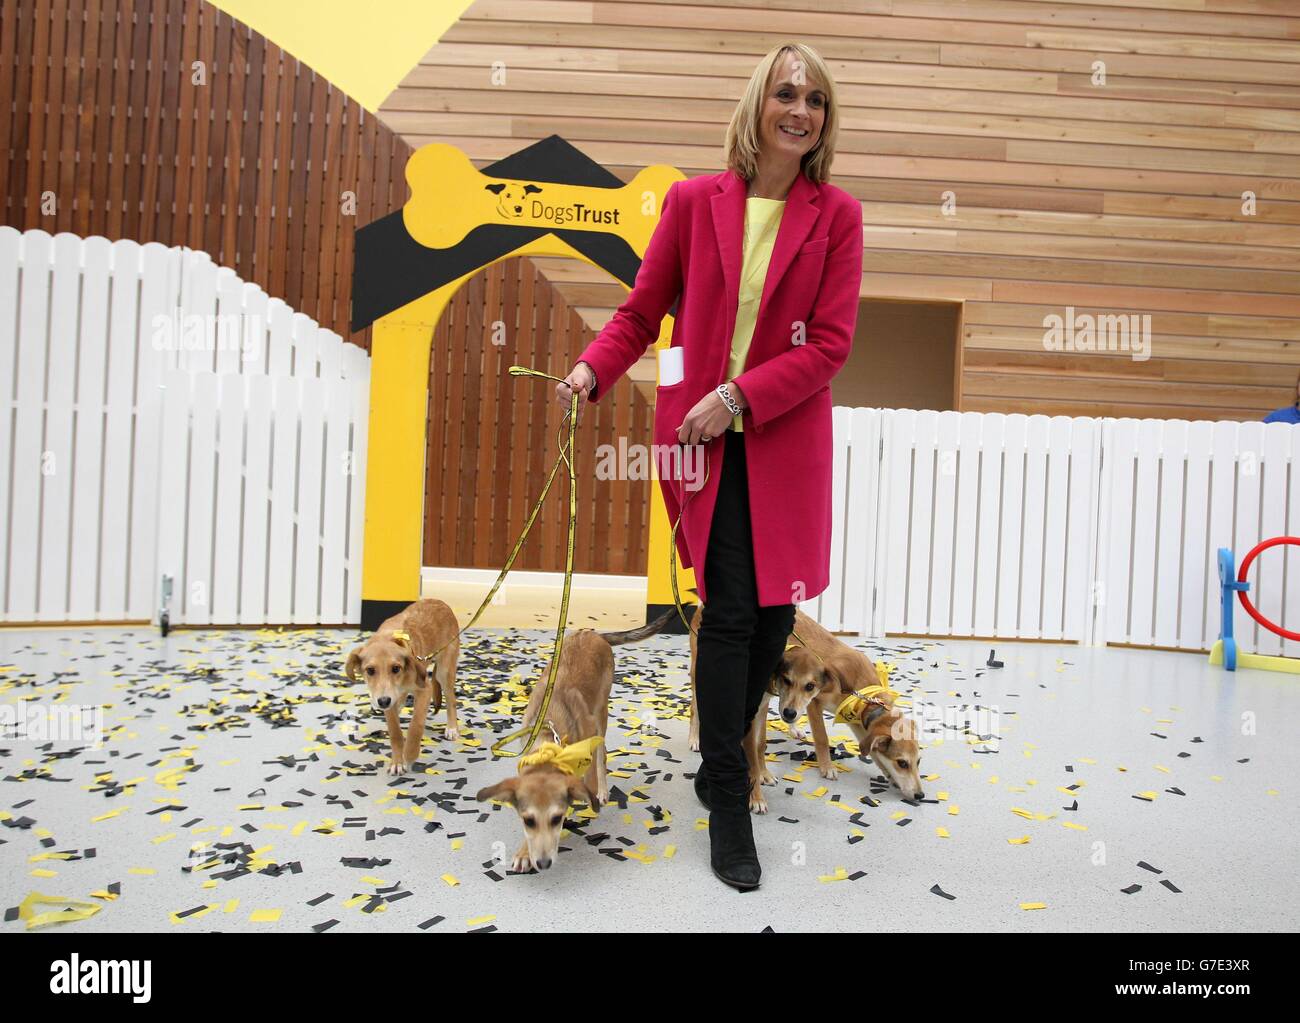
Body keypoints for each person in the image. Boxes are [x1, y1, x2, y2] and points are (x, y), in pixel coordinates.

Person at [555, 43, 862, 890]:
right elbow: (640, 310)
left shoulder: (837, 216)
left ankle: (718, 754)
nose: (801, 110)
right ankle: (729, 791)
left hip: (780, 436)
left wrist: (735, 396)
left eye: (817, 101)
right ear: (758, 104)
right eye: (786, 94)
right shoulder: (694, 204)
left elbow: (831, 345)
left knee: (771, 621)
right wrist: (592, 368)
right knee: (729, 613)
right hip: (699, 444)